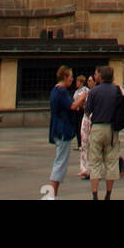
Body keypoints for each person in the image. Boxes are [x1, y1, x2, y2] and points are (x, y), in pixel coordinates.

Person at [84, 64, 124, 200]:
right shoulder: (116, 90)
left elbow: (87, 111)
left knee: (95, 162)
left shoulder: (94, 91)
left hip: (97, 128)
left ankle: (95, 195)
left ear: (100, 77)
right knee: (111, 163)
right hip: (112, 129)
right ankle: (108, 195)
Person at [47, 65, 78, 198]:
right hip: (63, 129)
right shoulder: (62, 91)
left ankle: (54, 194)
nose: (72, 79)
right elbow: (72, 106)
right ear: (64, 77)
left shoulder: (55, 90)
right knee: (60, 162)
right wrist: (84, 96)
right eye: (70, 76)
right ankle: (51, 194)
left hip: (58, 128)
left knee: (60, 161)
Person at [76, 75, 95, 179]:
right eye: (88, 80)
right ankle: (84, 169)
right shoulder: (87, 92)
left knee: (92, 147)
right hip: (86, 119)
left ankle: (91, 169)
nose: (89, 82)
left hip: (92, 120)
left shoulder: (93, 93)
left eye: (90, 81)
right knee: (84, 145)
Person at [71, 75, 88, 148]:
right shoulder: (76, 91)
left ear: (81, 82)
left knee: (81, 127)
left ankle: (83, 144)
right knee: (77, 127)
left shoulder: (84, 90)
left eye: (78, 81)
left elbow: (84, 100)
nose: (76, 83)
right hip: (76, 111)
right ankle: (79, 144)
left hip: (82, 110)